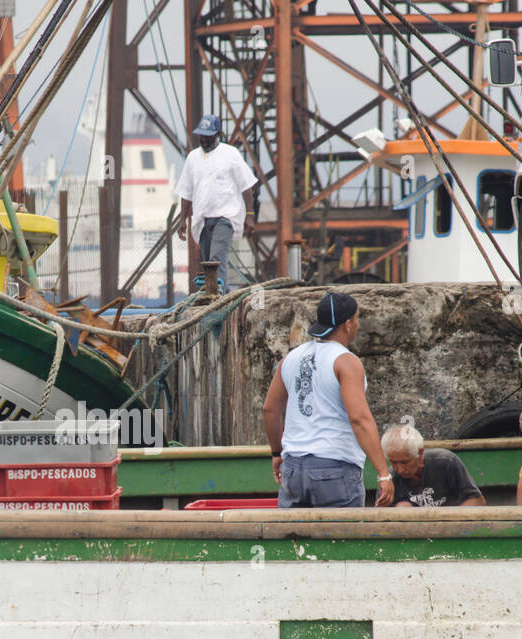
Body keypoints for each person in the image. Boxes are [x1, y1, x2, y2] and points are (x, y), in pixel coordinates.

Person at [262, 292, 394, 508]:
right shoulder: (346, 362)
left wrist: (277, 453)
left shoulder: (291, 358)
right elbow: (359, 419)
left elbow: (269, 410)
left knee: (294, 540)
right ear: (348, 324)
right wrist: (383, 473)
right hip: (335, 468)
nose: (358, 325)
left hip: (293, 468)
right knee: (340, 540)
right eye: (357, 319)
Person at [175, 114, 257, 291]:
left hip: (225, 217)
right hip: (202, 219)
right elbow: (186, 191)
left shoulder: (230, 154)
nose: (204, 140)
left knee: (216, 259)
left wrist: (249, 216)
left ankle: (217, 299)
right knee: (207, 265)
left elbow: (247, 187)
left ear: (217, 133)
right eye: (201, 136)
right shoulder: (193, 158)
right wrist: (182, 220)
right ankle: (221, 295)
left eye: (208, 136)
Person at [379, 424, 485, 507]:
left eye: (405, 462)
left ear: (420, 453)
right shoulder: (390, 478)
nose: (400, 470)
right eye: (393, 462)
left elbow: (477, 501)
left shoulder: (446, 462)